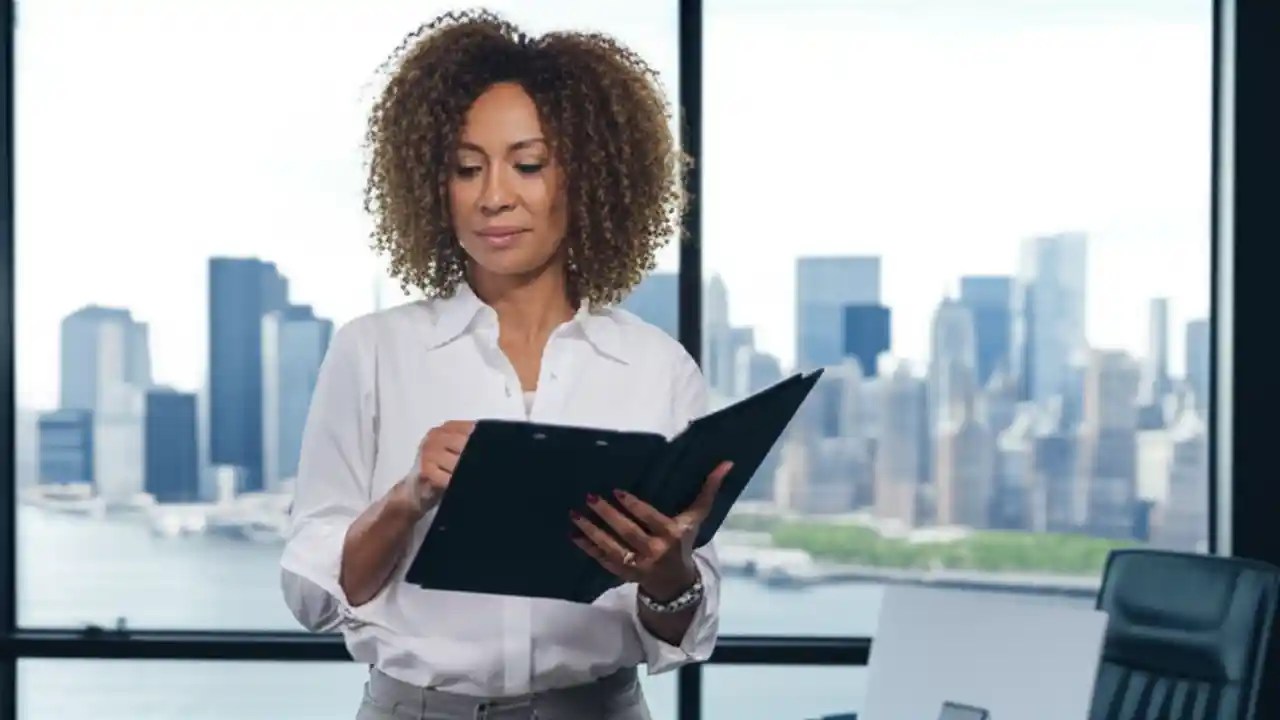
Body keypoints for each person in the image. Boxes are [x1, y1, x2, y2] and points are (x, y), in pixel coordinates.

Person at [280, 10, 731, 719]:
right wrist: (408, 499)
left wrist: (668, 573)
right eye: (467, 168)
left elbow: (681, 629)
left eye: (528, 164)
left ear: (588, 177)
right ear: (435, 184)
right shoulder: (372, 352)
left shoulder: (656, 368)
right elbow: (315, 596)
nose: (494, 195)